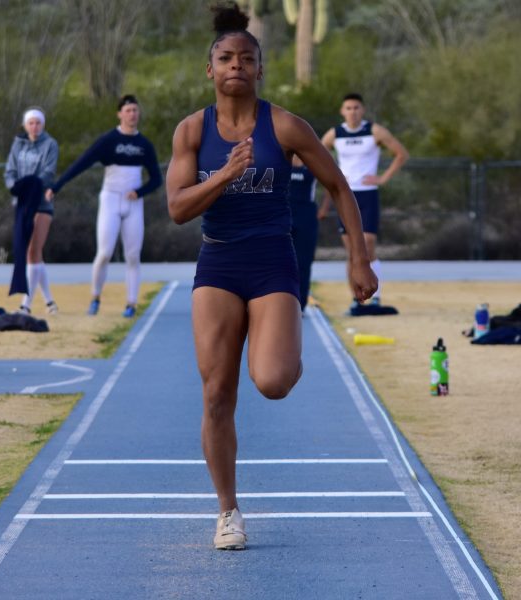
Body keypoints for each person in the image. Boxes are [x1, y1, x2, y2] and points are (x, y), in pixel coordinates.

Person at [165, 2, 377, 551]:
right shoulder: (191, 131)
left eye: (247, 58)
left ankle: (285, 347)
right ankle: (228, 512)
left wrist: (358, 258)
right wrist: (227, 175)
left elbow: (339, 187)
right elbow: (179, 208)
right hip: (218, 262)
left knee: (274, 382)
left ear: (260, 70)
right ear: (209, 69)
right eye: (226, 57)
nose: (236, 65)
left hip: (271, 261)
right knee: (217, 394)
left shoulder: (284, 125)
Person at [46, 95, 162, 318]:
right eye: (128, 110)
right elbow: (82, 163)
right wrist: (56, 186)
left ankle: (131, 303)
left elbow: (156, 179)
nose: (132, 114)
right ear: (119, 114)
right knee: (105, 252)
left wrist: (139, 192)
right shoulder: (108, 140)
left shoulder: (144, 145)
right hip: (110, 199)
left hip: (133, 203)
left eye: (135, 110)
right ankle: (95, 297)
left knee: (133, 255)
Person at [319, 92, 409, 311]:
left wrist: (382, 178)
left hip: (368, 193)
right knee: (351, 251)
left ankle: (375, 296)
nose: (352, 112)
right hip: (345, 195)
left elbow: (401, 153)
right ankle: (356, 300)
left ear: (363, 110)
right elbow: (317, 157)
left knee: (367, 246)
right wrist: (332, 183)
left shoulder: (374, 131)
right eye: (348, 108)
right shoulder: (334, 134)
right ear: (342, 111)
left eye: (356, 107)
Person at [4, 107, 60, 315]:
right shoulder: (18, 144)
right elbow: (10, 171)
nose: (34, 127)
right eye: (31, 123)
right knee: (32, 252)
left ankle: (25, 304)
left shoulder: (50, 144)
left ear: (43, 124)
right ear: (25, 125)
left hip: (41, 202)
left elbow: (48, 172)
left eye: (38, 123)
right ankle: (50, 302)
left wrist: (31, 185)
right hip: (22, 203)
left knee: (33, 250)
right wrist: (15, 187)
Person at [289, 154, 322, 311]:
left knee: (303, 261)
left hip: (306, 216)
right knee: (278, 261)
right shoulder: (281, 158)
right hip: (282, 214)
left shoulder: (313, 161)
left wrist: (324, 208)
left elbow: (333, 184)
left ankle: (300, 304)